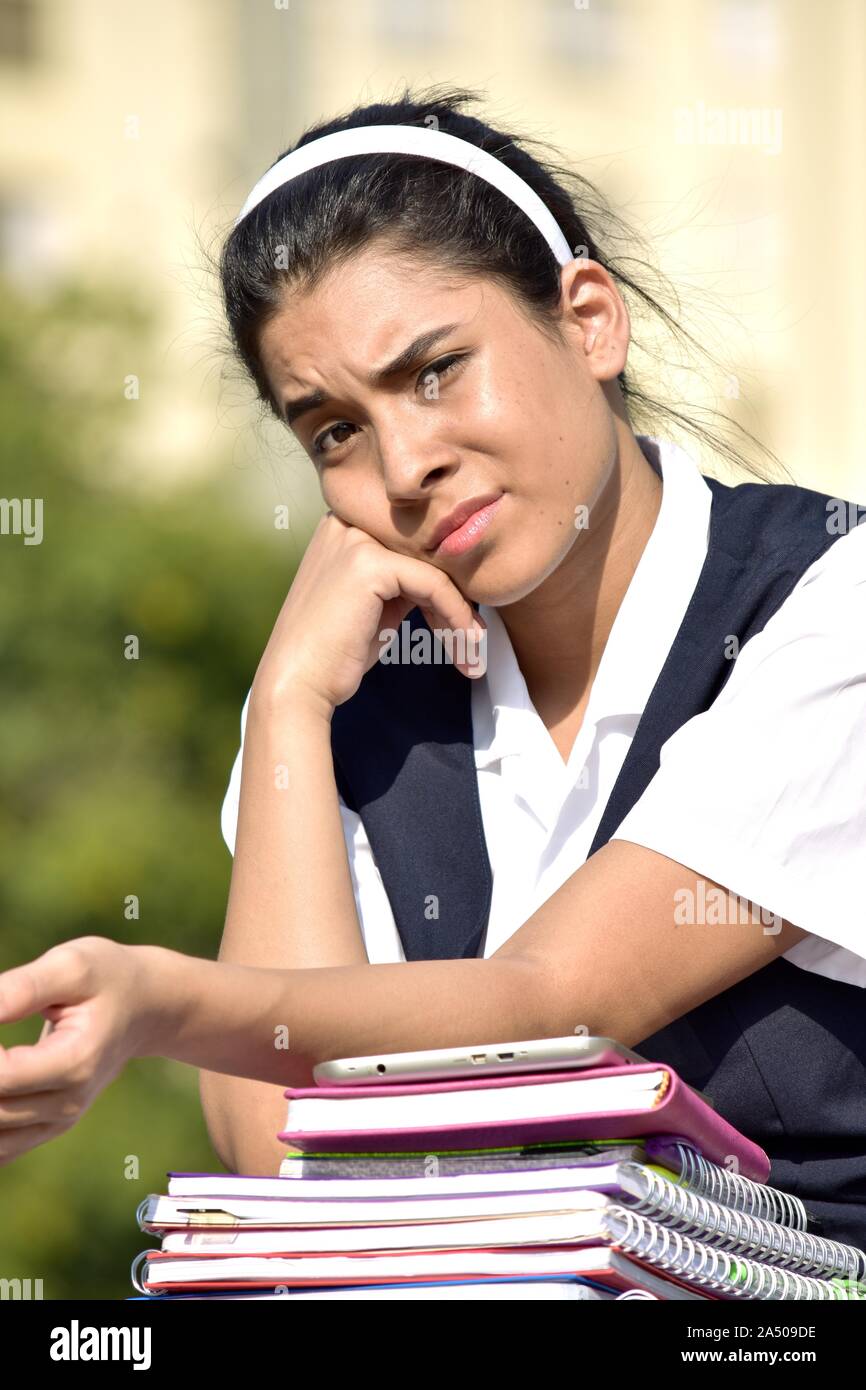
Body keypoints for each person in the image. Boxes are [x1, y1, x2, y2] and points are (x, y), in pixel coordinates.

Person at [1, 88, 865, 1253]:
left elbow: (552, 1003)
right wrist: (289, 706)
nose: (404, 464)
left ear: (588, 319)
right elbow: (279, 1155)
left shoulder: (824, 601)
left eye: (433, 370)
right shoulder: (348, 700)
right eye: (333, 434)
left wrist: (158, 1001)